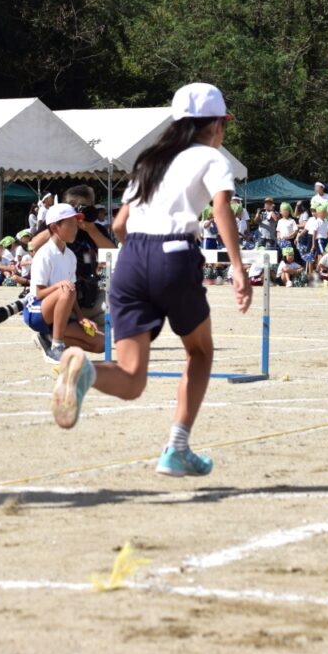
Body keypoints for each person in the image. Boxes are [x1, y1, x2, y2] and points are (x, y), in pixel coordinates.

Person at [51, 82, 251, 479]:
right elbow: (222, 209)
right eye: (223, 124)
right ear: (213, 125)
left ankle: (86, 371)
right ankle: (177, 448)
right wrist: (238, 267)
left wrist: (141, 257)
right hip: (174, 255)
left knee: (131, 377)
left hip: (130, 262)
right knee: (200, 353)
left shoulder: (149, 161)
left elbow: (121, 223)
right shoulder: (212, 158)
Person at [27, 184, 116, 332]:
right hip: (57, 295)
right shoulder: (53, 224)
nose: (84, 211)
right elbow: (32, 247)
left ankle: (78, 328)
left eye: (88, 207)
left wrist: (91, 229)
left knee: (113, 312)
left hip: (88, 293)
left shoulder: (95, 228)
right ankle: (55, 332)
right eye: (78, 207)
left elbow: (111, 254)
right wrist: (61, 225)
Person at [25, 204, 103, 359]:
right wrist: (59, 286)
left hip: (61, 315)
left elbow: (70, 293)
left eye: (76, 224)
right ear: (55, 227)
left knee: (102, 343)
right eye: (71, 224)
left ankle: (47, 338)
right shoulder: (44, 254)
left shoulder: (70, 256)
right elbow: (39, 293)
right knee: (66, 289)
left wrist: (81, 317)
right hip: (37, 311)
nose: (76, 228)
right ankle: (57, 346)